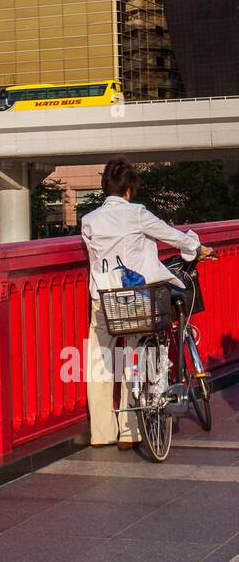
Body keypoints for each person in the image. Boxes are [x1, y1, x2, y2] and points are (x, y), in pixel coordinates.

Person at [80, 157, 215, 449]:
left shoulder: (88, 221)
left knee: (100, 361)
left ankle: (101, 432)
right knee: (136, 356)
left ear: (106, 187)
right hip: (138, 296)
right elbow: (174, 237)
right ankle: (131, 431)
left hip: (103, 298)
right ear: (129, 189)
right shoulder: (137, 214)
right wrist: (197, 247)